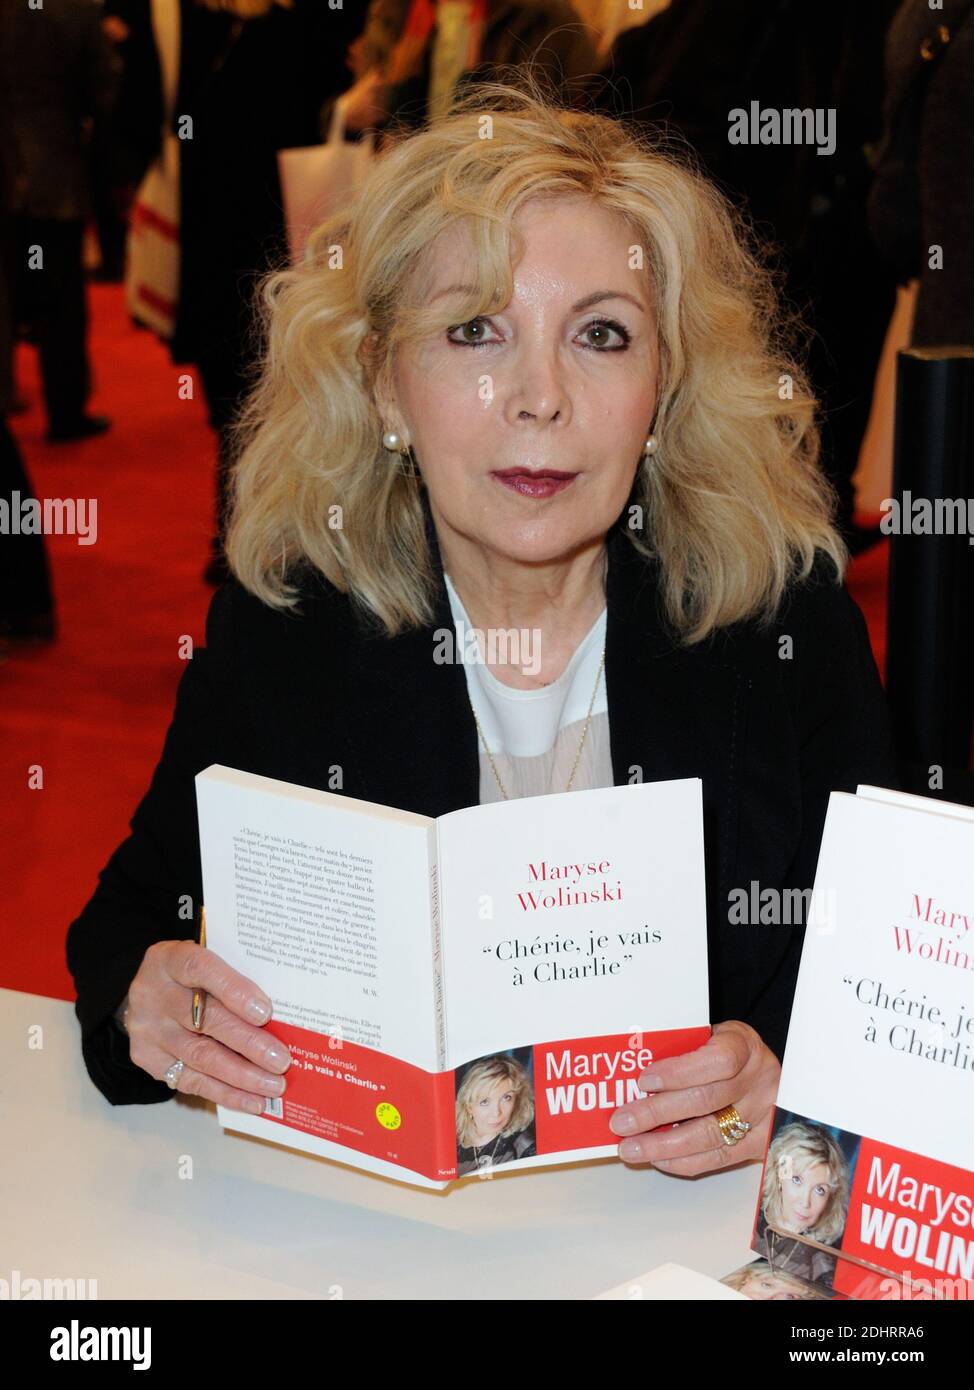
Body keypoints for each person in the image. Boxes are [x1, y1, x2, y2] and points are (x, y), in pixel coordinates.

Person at [66, 78, 900, 1181]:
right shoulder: (291, 630)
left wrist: (783, 1076)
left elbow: (904, 977)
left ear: (664, 384)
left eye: (601, 334)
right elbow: (127, 922)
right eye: (474, 332)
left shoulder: (776, 617)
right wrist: (148, 998)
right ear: (383, 384)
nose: (539, 396)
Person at [752, 1121, 851, 1288]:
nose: (805, 1202)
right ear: (779, 1173)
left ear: (831, 1199)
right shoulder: (749, 1220)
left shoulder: (822, 1270)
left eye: (820, 1190)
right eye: (797, 1180)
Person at [455, 1055, 536, 1176]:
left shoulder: (524, 1146)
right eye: (485, 1102)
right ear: (469, 1106)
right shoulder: (452, 1144)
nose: (496, 1113)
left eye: (506, 1098)